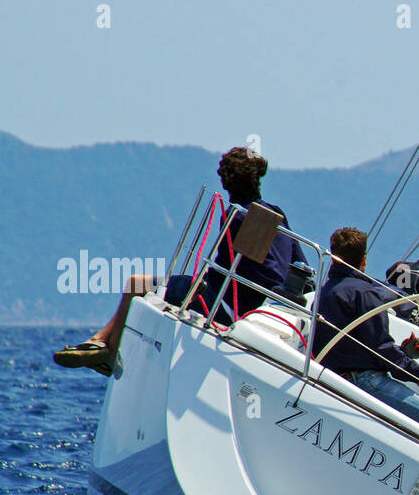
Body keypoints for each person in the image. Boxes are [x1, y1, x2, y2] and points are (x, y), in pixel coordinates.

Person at [53, 146, 305, 375]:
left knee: (135, 285)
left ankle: (107, 350)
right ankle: (100, 340)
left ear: (226, 182)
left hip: (224, 303)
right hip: (268, 307)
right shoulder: (277, 213)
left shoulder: (237, 217)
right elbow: (295, 264)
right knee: (146, 285)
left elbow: (234, 272)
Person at [313, 228, 419, 425]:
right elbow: (381, 349)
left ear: (334, 258)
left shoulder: (323, 293)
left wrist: (402, 351)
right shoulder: (365, 294)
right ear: (363, 260)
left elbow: (354, 347)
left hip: (330, 378)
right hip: (365, 381)